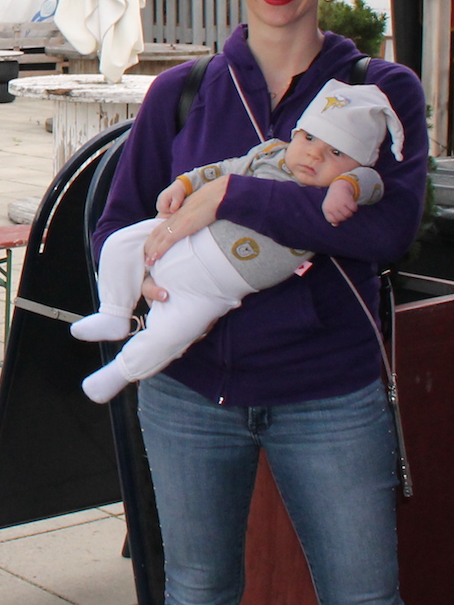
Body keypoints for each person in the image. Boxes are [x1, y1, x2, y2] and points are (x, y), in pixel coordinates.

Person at [91, 0, 428, 605]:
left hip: (330, 393)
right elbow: (118, 221)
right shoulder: (181, 94)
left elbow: (387, 231)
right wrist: (141, 283)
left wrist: (233, 194)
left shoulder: (380, 93)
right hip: (190, 395)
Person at [73, 81, 404, 403]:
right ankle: (114, 311)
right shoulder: (272, 153)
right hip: (181, 236)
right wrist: (183, 185)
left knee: (169, 335)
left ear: (357, 162)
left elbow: (371, 183)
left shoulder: (342, 185)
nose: (313, 155)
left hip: (215, 290)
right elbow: (222, 169)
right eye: (309, 137)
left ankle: (120, 372)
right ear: (296, 134)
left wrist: (345, 188)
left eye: (335, 151)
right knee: (120, 244)